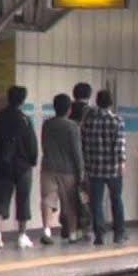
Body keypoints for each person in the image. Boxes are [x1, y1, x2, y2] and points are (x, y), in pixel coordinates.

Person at [0, 85, 39, 249]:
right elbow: (32, 145)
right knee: (23, 200)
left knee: (1, 198)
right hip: (23, 167)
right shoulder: (25, 119)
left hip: (3, 165)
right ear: (22, 100)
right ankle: (22, 235)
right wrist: (32, 160)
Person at [80, 89, 128, 245]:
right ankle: (119, 233)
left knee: (96, 202)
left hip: (94, 168)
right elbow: (119, 145)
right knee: (116, 199)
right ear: (111, 103)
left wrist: (86, 164)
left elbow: (84, 144)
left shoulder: (88, 121)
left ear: (97, 102)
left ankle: (99, 234)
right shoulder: (117, 121)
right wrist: (122, 162)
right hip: (113, 168)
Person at [39, 93, 85, 244]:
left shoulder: (47, 124)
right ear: (69, 109)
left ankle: (46, 230)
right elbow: (77, 152)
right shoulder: (73, 127)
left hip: (48, 167)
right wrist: (81, 171)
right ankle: (72, 234)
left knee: (47, 199)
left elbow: (44, 144)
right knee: (70, 202)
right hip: (68, 170)